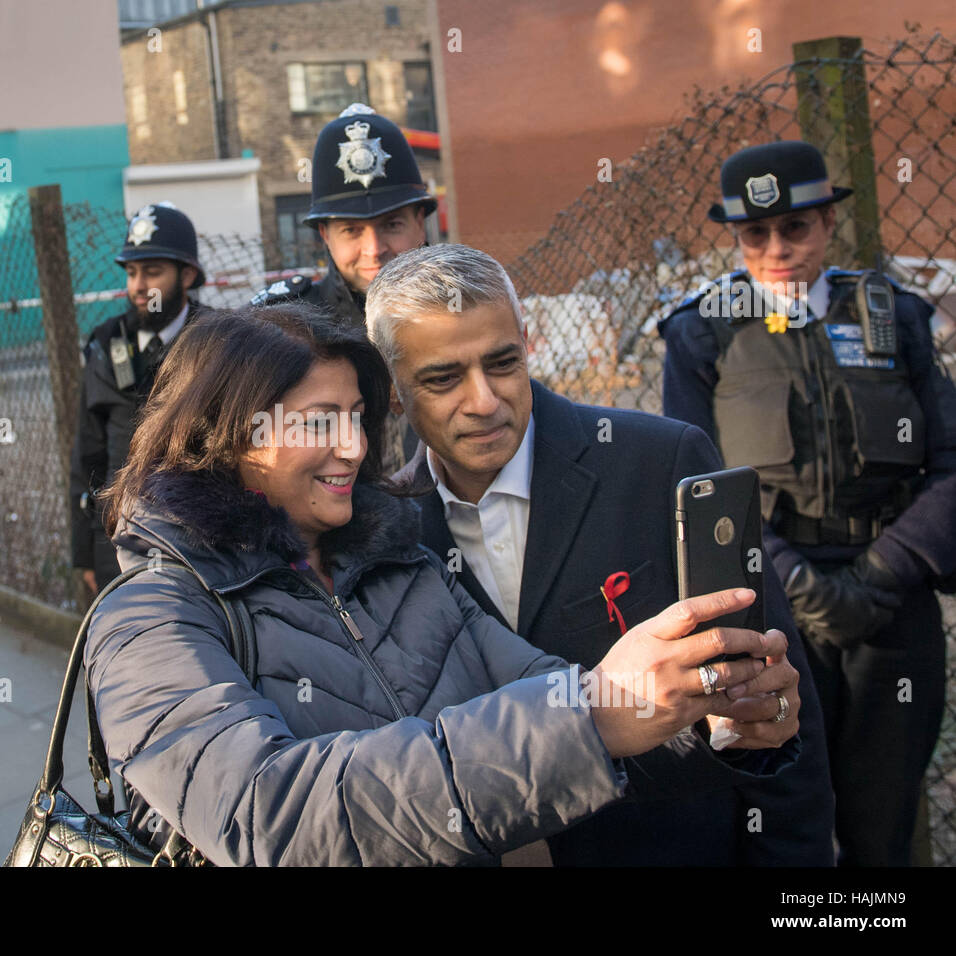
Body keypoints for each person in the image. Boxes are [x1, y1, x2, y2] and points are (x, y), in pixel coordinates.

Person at [83, 303, 801, 866]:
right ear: (229, 432)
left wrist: (708, 718)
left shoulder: (399, 569)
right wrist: (592, 711)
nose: (354, 448)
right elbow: (266, 812)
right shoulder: (149, 617)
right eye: (320, 422)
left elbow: (560, 707)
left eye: (359, 418)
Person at [369, 243, 832, 865]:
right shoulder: (382, 531)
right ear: (392, 389)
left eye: (503, 363)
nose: (483, 400)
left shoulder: (660, 464)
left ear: (527, 343)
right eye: (443, 378)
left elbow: (777, 706)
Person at [658, 140, 956, 866]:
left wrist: (885, 571)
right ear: (734, 237)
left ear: (827, 223)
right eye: (754, 233)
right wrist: (790, 582)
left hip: (891, 600)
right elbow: (695, 484)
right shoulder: (701, 331)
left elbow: (951, 463)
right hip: (770, 611)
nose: (776, 248)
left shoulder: (895, 317)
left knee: (882, 825)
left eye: (796, 227)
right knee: (780, 817)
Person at [253, 102, 437, 472]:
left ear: (420, 221)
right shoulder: (285, 325)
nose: (374, 249)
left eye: (392, 225)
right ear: (325, 235)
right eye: (352, 231)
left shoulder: (462, 310)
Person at [69, 201, 208, 599]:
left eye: (152, 271)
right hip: (117, 540)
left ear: (187, 274)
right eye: (132, 272)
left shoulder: (217, 342)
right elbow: (87, 456)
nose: (138, 286)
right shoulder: (105, 343)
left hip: (197, 541)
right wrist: (87, 554)